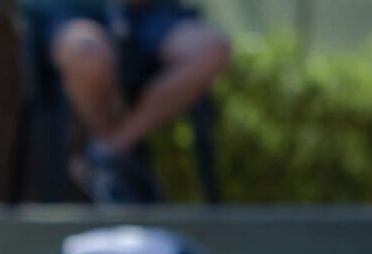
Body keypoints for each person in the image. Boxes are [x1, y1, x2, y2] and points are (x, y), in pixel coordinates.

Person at [37, 0, 230, 204]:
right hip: (71, 12)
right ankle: (106, 164)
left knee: (212, 47)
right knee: (87, 50)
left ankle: (110, 151)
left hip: (149, 15)